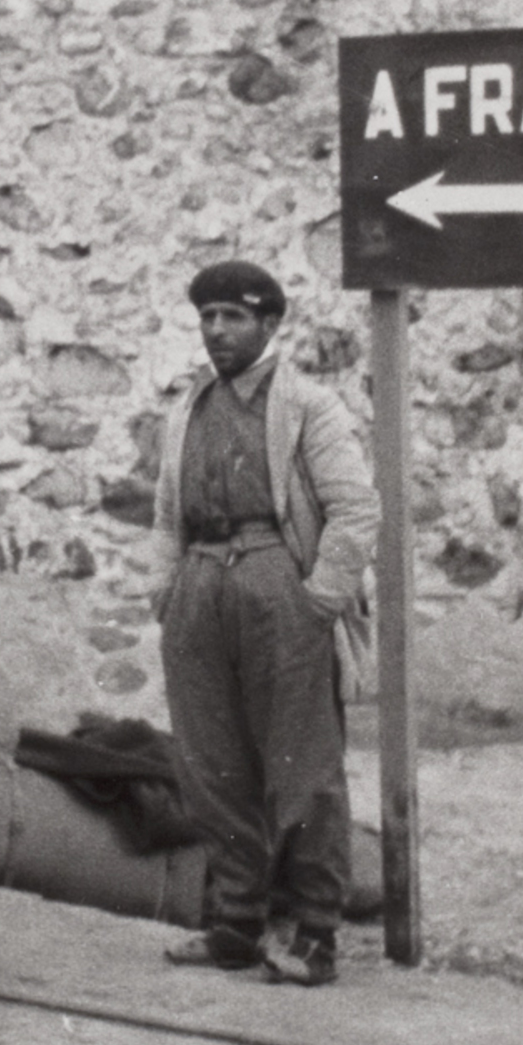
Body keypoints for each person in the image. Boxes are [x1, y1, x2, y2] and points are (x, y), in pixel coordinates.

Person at [147, 259, 379, 987]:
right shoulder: (189, 407)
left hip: (278, 583)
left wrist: (318, 600)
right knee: (209, 763)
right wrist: (166, 594)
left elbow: (355, 509)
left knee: (300, 766)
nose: (217, 330)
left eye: (234, 317)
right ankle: (237, 922)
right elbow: (166, 514)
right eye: (208, 317)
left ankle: (315, 934)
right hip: (200, 588)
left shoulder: (307, 404)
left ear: (269, 324)